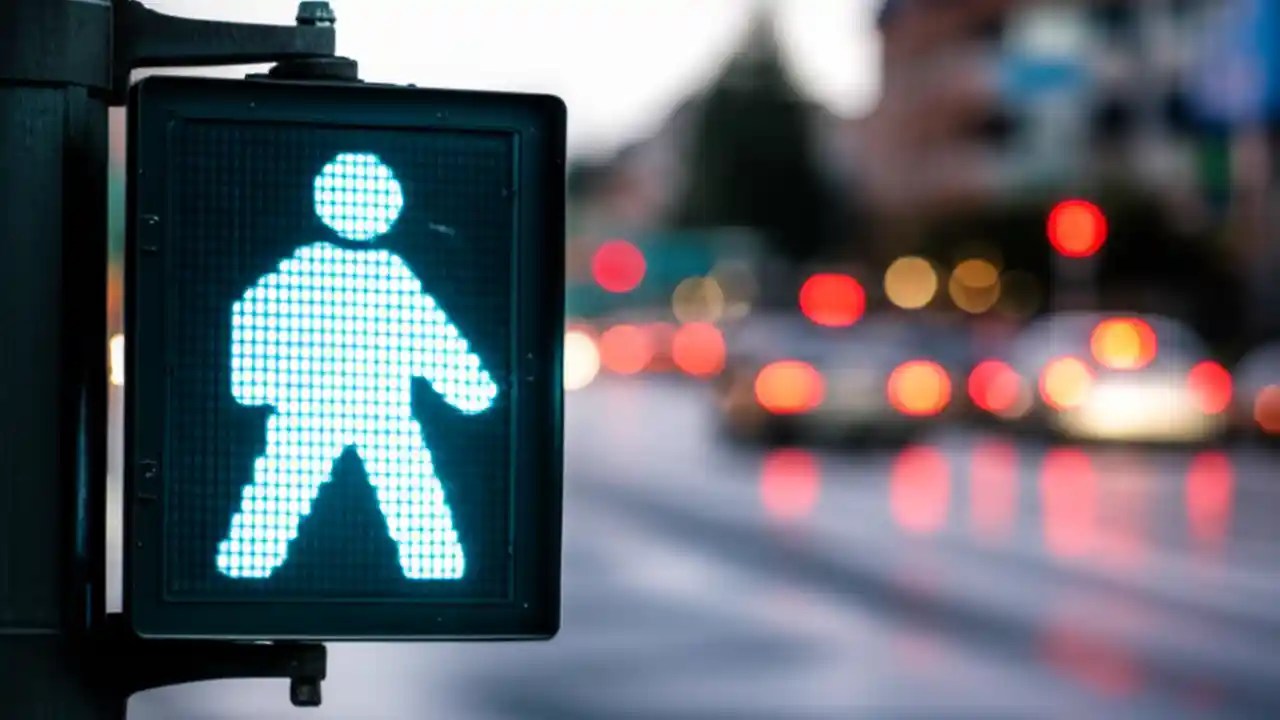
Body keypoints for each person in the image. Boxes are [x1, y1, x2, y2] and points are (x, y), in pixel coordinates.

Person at [215, 151, 498, 581]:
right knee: (404, 491)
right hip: (368, 410)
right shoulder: (382, 273)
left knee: (284, 489)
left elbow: (250, 312)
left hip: (322, 410)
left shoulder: (309, 268)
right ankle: (433, 567)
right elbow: (434, 338)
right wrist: (471, 391)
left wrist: (254, 385)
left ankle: (248, 563)